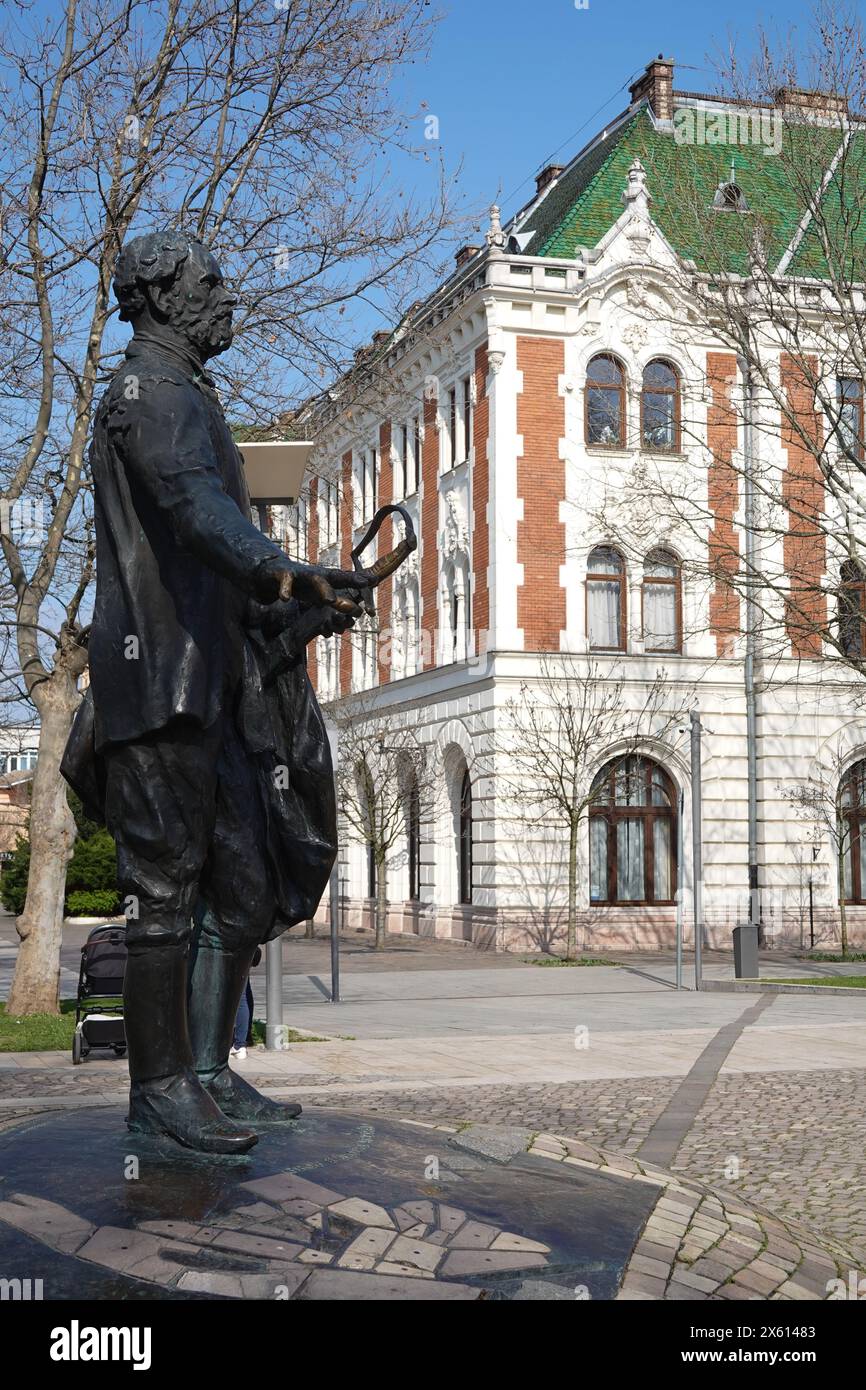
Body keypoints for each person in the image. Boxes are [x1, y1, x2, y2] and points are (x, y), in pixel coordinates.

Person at [61, 229, 377, 1155]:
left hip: (218, 681)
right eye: (209, 283)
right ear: (159, 296)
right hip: (160, 682)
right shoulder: (147, 397)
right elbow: (194, 514)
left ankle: (204, 1068)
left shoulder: (188, 396)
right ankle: (158, 1088)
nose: (228, 296)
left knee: (238, 888)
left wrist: (298, 605)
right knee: (165, 895)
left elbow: (217, 560)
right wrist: (284, 573)